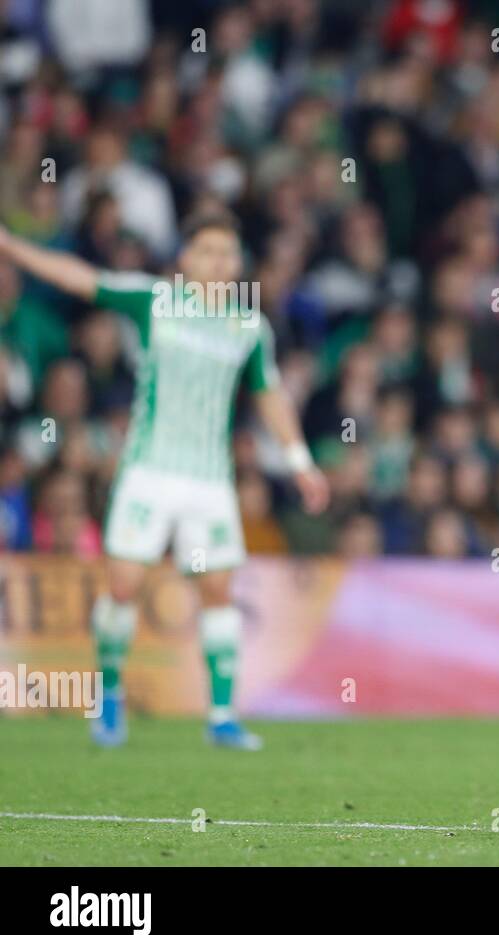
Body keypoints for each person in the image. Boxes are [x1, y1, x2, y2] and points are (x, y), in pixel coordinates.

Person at [0, 210, 329, 749]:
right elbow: (80, 278)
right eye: (207, 251)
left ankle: (221, 715)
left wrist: (299, 462)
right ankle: (108, 697)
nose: (219, 262)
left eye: (227, 253)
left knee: (218, 591)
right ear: (185, 259)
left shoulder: (250, 325)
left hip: (209, 481)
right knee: (125, 584)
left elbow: (269, 394)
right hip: (149, 473)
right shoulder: (154, 301)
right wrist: (14, 248)